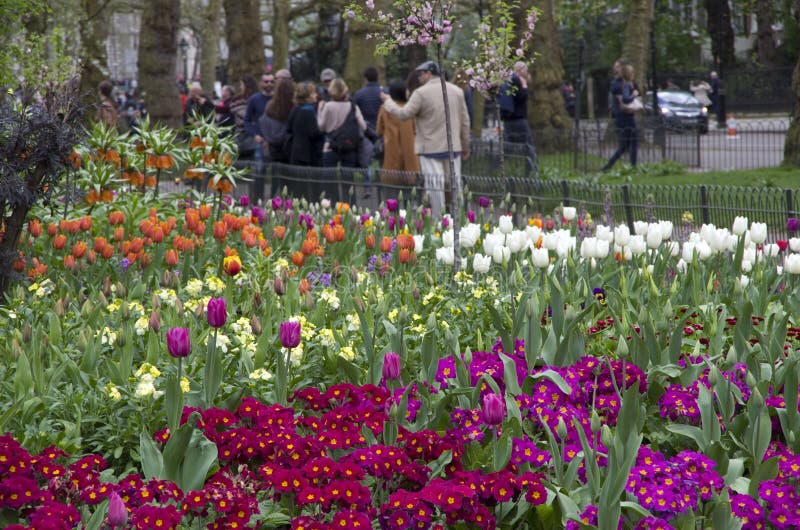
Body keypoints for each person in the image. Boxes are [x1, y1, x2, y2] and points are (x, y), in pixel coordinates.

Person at [380, 60, 470, 219]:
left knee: (435, 187)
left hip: (430, 149)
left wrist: (387, 102)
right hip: (453, 148)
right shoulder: (457, 91)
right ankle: (459, 218)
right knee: (455, 185)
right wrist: (465, 146)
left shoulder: (420, 93)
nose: (419, 78)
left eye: (421, 74)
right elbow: (465, 122)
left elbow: (403, 114)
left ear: (429, 74)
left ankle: (438, 221)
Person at [318, 78, 367, 201]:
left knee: (330, 181)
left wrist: (320, 110)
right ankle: (350, 207)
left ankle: (331, 206)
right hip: (349, 147)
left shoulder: (328, 106)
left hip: (330, 146)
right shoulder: (352, 106)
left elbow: (321, 126)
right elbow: (364, 126)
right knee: (349, 182)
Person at [376, 80, 420, 197]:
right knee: (409, 190)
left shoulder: (384, 108)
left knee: (391, 189)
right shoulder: (410, 108)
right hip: (409, 149)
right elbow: (416, 128)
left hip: (391, 149)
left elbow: (379, 129)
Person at [259, 77, 295, 197]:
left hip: (273, 147)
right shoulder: (293, 107)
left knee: (275, 177)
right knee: (289, 179)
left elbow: (263, 123)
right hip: (289, 147)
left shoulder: (270, 106)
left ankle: (273, 201)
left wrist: (268, 138)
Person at [499, 61, 537, 173]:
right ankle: (532, 171)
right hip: (519, 120)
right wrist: (525, 87)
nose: (527, 72)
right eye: (525, 70)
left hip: (509, 120)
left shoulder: (509, 80)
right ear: (520, 70)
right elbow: (521, 97)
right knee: (529, 147)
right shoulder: (517, 80)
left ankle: (495, 168)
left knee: (507, 148)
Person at [602, 63, 639, 171]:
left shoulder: (617, 84)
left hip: (620, 116)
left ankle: (608, 166)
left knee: (624, 145)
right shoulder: (626, 84)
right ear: (629, 74)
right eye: (632, 73)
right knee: (633, 141)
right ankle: (633, 166)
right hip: (626, 117)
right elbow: (626, 99)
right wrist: (634, 95)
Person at [286, 81, 324, 168]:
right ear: (307, 97)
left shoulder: (295, 109)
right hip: (307, 156)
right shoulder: (308, 111)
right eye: (313, 93)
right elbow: (314, 133)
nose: (316, 95)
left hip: (296, 152)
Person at [245, 72, 277, 171]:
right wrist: (254, 135)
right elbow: (247, 120)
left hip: (276, 140)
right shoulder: (254, 99)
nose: (269, 84)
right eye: (266, 81)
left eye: (272, 81)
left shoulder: (278, 99)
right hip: (260, 140)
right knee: (259, 171)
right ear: (261, 83)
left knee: (277, 171)